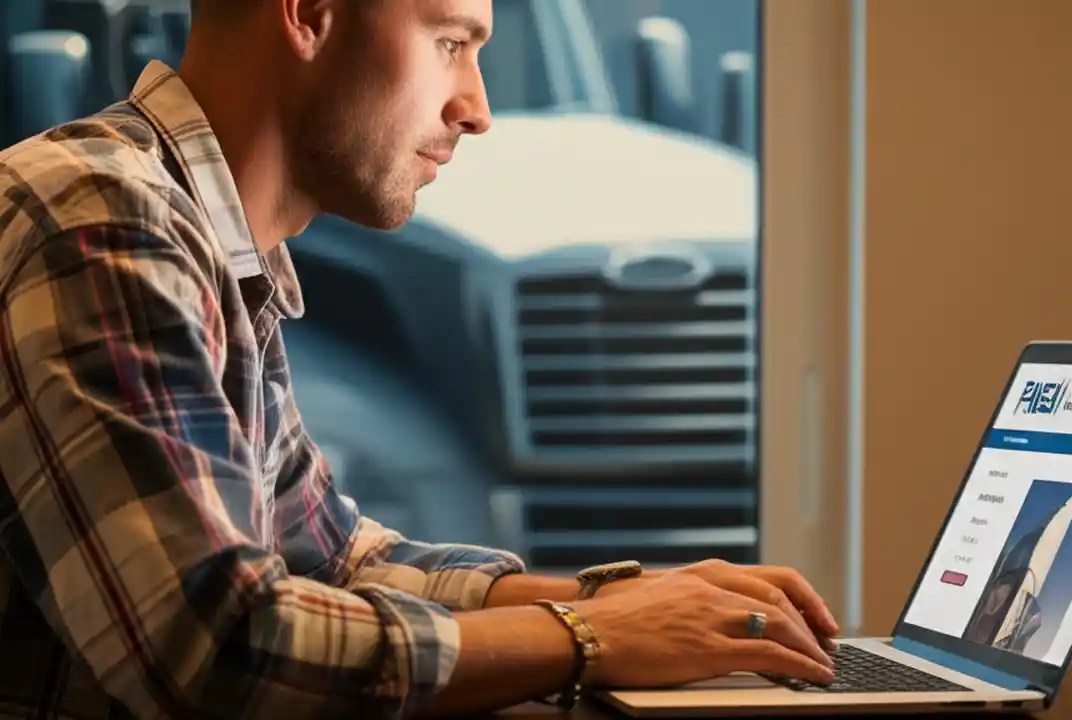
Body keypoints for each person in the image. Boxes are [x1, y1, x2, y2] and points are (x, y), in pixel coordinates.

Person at [0, 0, 838, 717]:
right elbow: (218, 647)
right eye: (450, 44)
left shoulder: (202, 240)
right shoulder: (100, 219)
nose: (476, 109)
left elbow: (332, 559)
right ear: (310, 14)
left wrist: (626, 599)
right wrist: (592, 638)